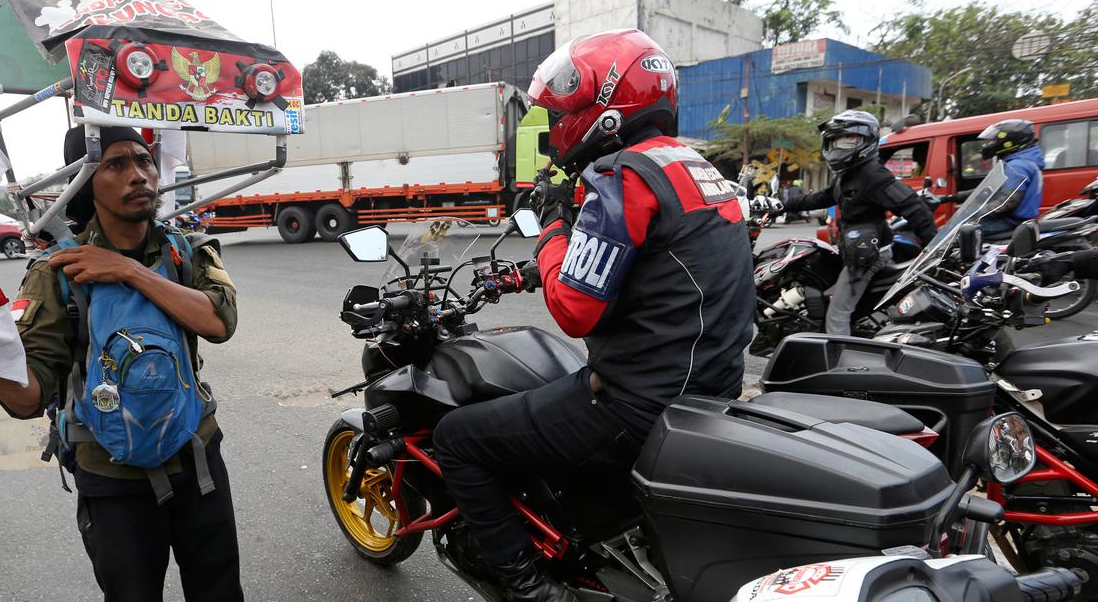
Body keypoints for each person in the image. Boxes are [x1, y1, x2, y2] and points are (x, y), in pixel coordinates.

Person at [433, 29, 755, 601]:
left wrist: (554, 224)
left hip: (637, 403)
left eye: (562, 117)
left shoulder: (622, 177)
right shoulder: (698, 171)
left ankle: (530, 588)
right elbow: (658, 267)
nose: (556, 131)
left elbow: (574, 309)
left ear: (604, 112)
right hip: (711, 390)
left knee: (458, 438)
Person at [0, 127, 243, 602]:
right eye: (114, 165)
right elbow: (28, 399)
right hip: (112, 481)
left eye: (143, 160)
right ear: (86, 182)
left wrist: (127, 270)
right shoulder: (58, 271)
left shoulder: (183, 251)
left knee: (220, 593)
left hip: (197, 462)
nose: (138, 175)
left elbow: (218, 321)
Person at [775, 110, 938, 336]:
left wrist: (934, 247)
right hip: (853, 247)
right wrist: (782, 204)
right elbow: (821, 197)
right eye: (836, 141)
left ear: (865, 141)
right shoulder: (849, 174)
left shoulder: (874, 175)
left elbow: (913, 206)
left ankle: (838, 360)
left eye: (847, 140)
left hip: (869, 254)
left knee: (837, 312)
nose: (839, 147)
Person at [976, 119, 1044, 236]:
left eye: (996, 140)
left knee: (960, 232)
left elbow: (1007, 201)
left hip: (1010, 221)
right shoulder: (1025, 162)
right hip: (1019, 220)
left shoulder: (1017, 166)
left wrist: (978, 212)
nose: (991, 144)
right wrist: (955, 197)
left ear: (1009, 141)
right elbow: (993, 188)